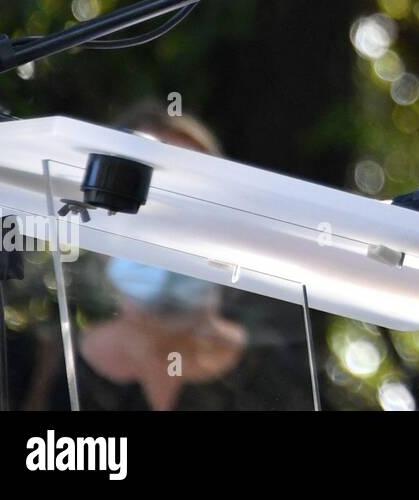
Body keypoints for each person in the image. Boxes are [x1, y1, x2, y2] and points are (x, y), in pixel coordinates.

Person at [22, 101, 314, 410]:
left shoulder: (289, 379)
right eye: (146, 200)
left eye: (193, 200)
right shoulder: (34, 369)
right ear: (101, 224)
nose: (168, 227)